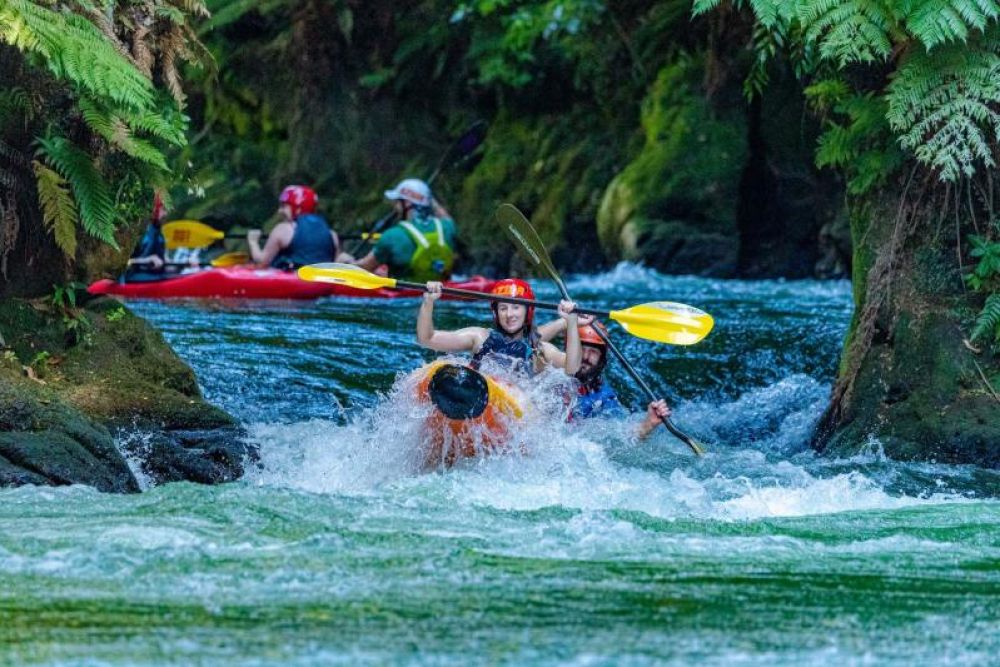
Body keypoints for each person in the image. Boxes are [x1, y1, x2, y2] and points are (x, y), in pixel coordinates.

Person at [417, 278, 585, 379]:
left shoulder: (540, 351)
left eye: (516, 307)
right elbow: (427, 339)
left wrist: (570, 322)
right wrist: (428, 302)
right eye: (503, 308)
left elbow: (572, 368)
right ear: (496, 313)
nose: (509, 314)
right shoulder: (479, 337)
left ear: (528, 311)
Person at [539, 318, 672, 439]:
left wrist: (647, 425)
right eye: (581, 349)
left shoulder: (602, 397)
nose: (585, 357)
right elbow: (527, 343)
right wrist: (566, 321)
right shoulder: (546, 374)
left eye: (593, 352)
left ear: (601, 360)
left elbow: (619, 436)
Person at [352, 178, 456, 282]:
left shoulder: (391, 236)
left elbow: (363, 269)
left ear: (407, 204)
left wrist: (347, 262)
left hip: (403, 295)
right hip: (439, 290)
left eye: (398, 202)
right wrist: (428, 200)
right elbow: (447, 218)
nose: (395, 207)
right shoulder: (447, 228)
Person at [248, 185, 340, 269]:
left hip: (292, 284)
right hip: (322, 284)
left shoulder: (283, 230)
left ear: (298, 208)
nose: (280, 211)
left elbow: (262, 262)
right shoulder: (332, 235)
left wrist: (253, 242)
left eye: (284, 206)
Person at [124, 193, 168, 282]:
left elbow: (162, 260)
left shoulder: (158, 231)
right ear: (155, 210)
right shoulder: (140, 231)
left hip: (154, 274)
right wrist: (148, 260)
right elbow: (126, 262)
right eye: (163, 209)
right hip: (134, 276)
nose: (165, 213)